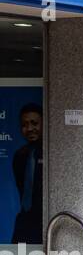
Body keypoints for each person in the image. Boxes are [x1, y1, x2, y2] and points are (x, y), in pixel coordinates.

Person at [10, 103, 43, 245]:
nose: (29, 129)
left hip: (45, 219)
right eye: (24, 124)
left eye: (34, 123)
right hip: (25, 221)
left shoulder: (53, 153)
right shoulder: (20, 156)